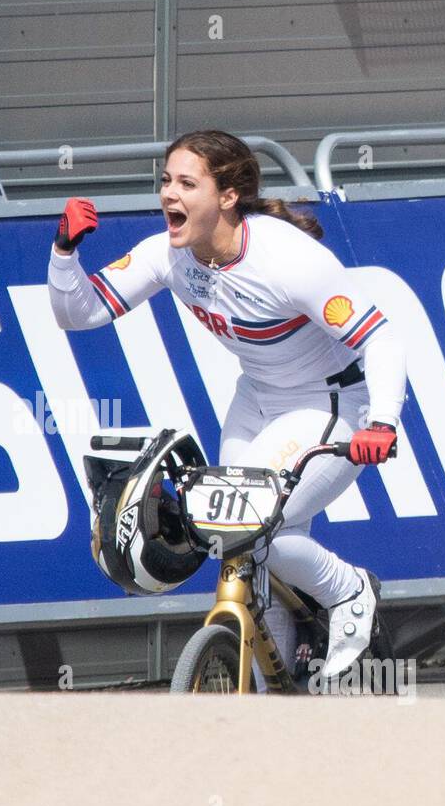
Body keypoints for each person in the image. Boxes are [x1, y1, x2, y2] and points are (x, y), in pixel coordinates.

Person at [46, 129, 406, 680]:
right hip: (257, 398)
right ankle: (275, 691)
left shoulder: (287, 259)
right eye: (166, 180)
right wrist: (65, 251)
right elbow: (79, 313)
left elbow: (378, 337)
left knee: (245, 530)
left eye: (187, 183)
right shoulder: (169, 255)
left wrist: (381, 422)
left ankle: (349, 591)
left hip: (332, 403)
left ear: (228, 196)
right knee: (242, 546)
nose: (169, 194)